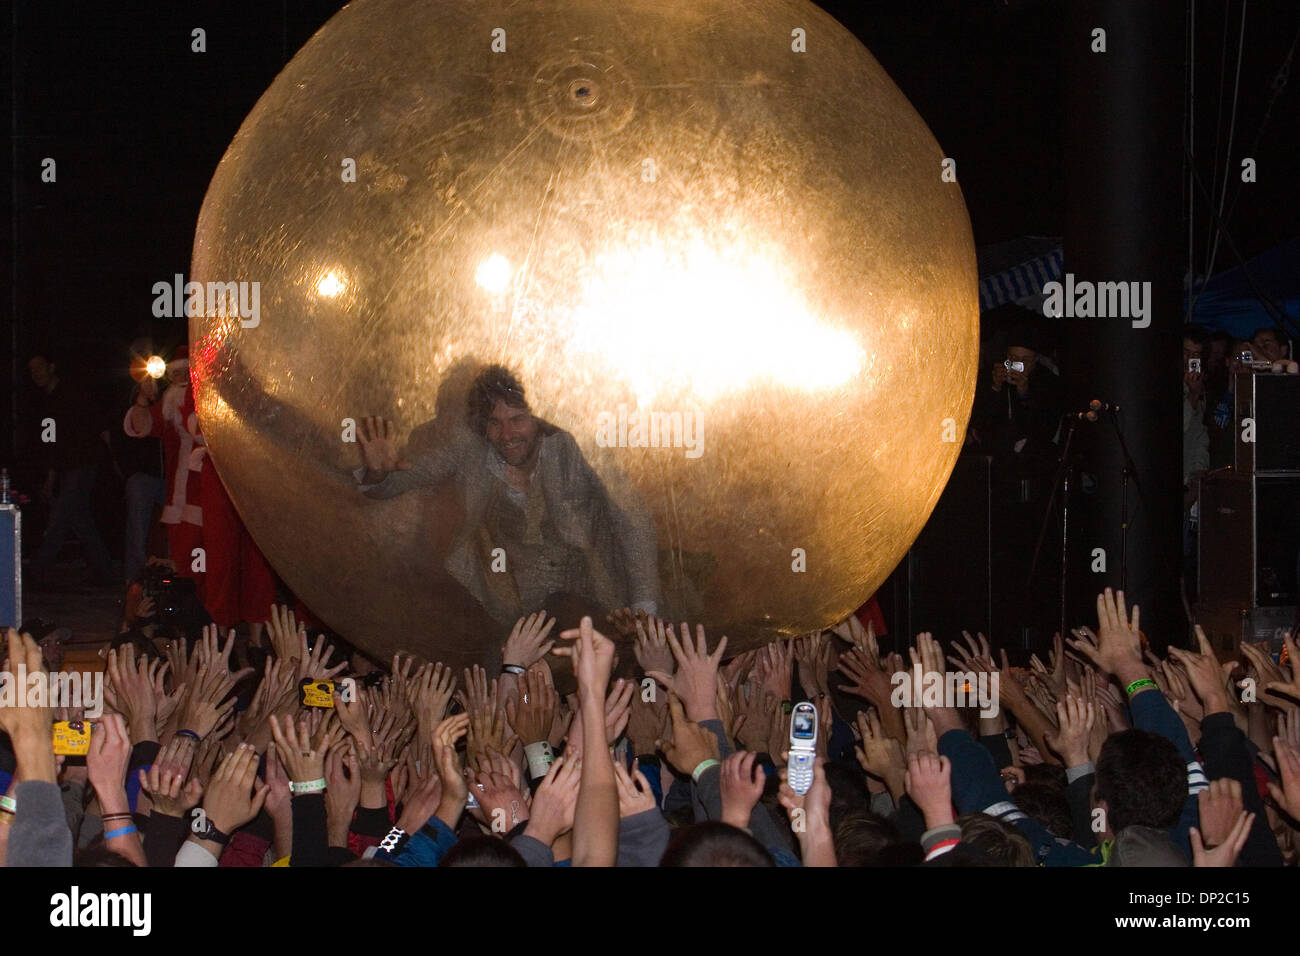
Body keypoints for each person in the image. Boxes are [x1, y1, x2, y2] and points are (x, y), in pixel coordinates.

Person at [355, 365, 660, 628]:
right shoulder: (468, 446)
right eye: (494, 423)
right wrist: (378, 473)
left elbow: (630, 517)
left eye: (517, 420)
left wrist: (644, 610)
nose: (507, 434)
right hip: (513, 612)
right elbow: (409, 474)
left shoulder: (573, 441)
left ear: (538, 417)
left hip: (598, 599)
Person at [29, 353, 117, 586]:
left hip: (83, 464)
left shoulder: (72, 394)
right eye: (32, 370)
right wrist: (51, 477)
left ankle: (37, 573)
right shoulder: (47, 403)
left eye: (39, 367)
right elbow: (51, 445)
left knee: (59, 518)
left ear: (51, 366)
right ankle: (106, 571)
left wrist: (112, 457)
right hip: (68, 468)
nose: (36, 373)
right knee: (80, 520)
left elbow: (98, 422)